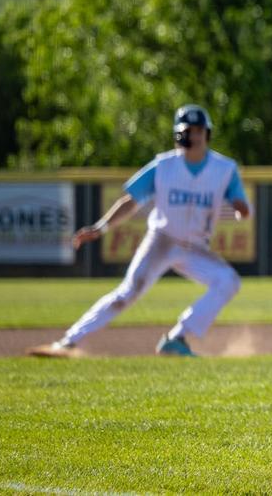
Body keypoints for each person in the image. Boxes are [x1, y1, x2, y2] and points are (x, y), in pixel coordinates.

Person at [27, 104, 251, 358]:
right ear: (178, 134)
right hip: (162, 240)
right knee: (128, 293)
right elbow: (131, 201)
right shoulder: (163, 165)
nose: (194, 136)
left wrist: (241, 208)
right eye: (188, 130)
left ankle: (177, 337)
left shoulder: (224, 169)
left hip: (195, 248)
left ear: (207, 134)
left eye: (199, 130)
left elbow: (240, 204)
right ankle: (67, 342)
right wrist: (101, 227)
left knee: (229, 281)